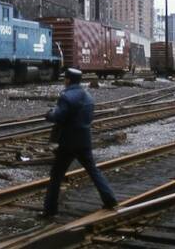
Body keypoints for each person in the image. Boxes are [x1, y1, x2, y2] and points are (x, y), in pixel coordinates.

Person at [42, 68, 118, 217]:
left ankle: (50, 210)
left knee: (56, 176)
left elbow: (59, 117)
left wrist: (49, 114)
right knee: (93, 171)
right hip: (84, 141)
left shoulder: (66, 97)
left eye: (65, 78)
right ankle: (110, 200)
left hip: (67, 142)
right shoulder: (88, 96)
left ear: (68, 80)